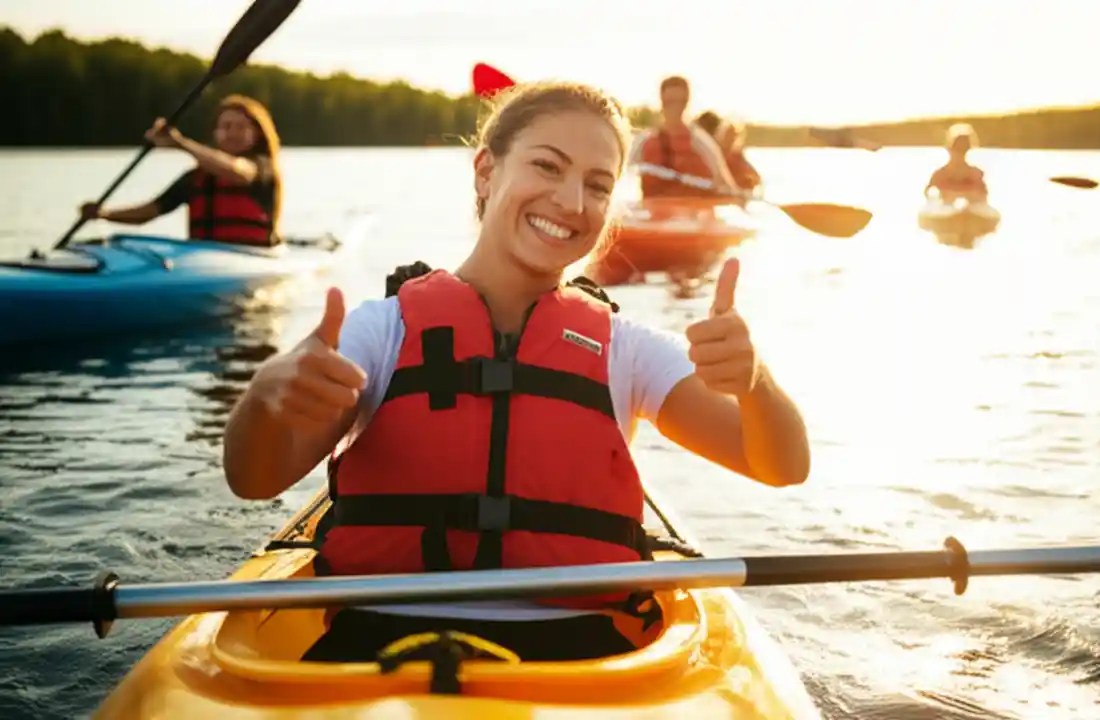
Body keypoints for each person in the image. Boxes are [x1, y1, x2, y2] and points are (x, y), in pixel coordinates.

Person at [222, 81, 810, 663]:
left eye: (597, 185)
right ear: (486, 171)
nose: (572, 202)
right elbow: (254, 479)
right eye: (548, 167)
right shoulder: (380, 331)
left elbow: (780, 464)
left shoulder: (628, 351)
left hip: (586, 661)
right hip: (379, 643)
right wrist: (263, 399)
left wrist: (754, 382)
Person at [78, 94, 283, 247]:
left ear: (257, 134)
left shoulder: (261, 167)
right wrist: (104, 214)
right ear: (216, 133)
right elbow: (151, 211)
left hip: (253, 256)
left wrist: (180, 143)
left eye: (241, 127)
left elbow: (238, 172)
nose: (232, 133)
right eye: (226, 126)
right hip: (204, 259)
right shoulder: (196, 178)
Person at [628, 76, 738, 198]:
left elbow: (726, 184)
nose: (675, 109)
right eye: (670, 102)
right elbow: (624, 175)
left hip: (692, 211)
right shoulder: (644, 141)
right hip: (654, 210)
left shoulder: (701, 142)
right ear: (662, 101)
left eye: (680, 103)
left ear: (686, 103)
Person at [695, 111, 761, 192]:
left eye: (733, 136)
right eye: (727, 135)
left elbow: (756, 179)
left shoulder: (737, 157)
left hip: (736, 194)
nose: (731, 139)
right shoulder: (711, 154)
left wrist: (747, 181)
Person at [924, 123, 988, 203]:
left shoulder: (975, 174)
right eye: (957, 149)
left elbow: (984, 196)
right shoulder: (940, 175)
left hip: (969, 211)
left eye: (962, 150)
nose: (959, 154)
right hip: (945, 209)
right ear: (950, 149)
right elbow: (927, 194)